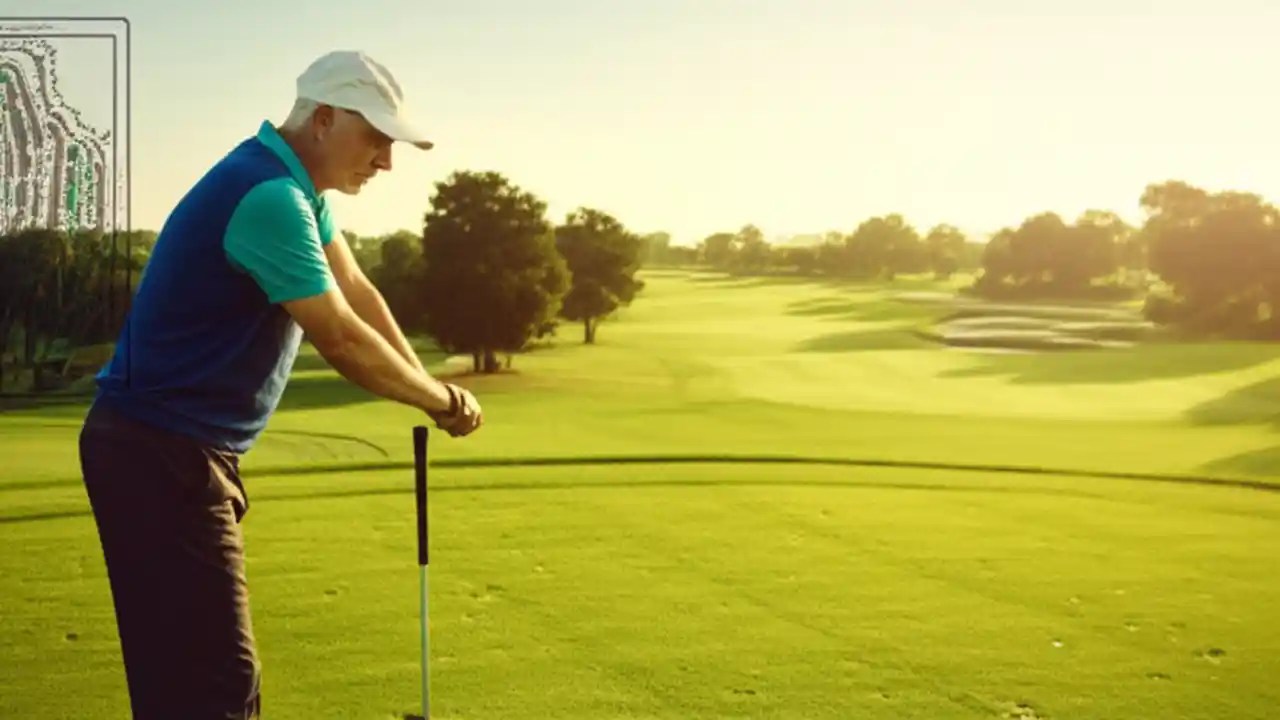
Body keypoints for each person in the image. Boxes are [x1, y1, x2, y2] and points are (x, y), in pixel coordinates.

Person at [77, 50, 480, 719]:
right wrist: (440, 401)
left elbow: (359, 294)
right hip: (161, 454)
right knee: (217, 689)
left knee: (187, 685)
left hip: (167, 451)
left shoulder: (292, 189)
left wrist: (432, 387)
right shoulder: (269, 197)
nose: (385, 161)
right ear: (323, 119)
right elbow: (342, 337)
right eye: (376, 140)